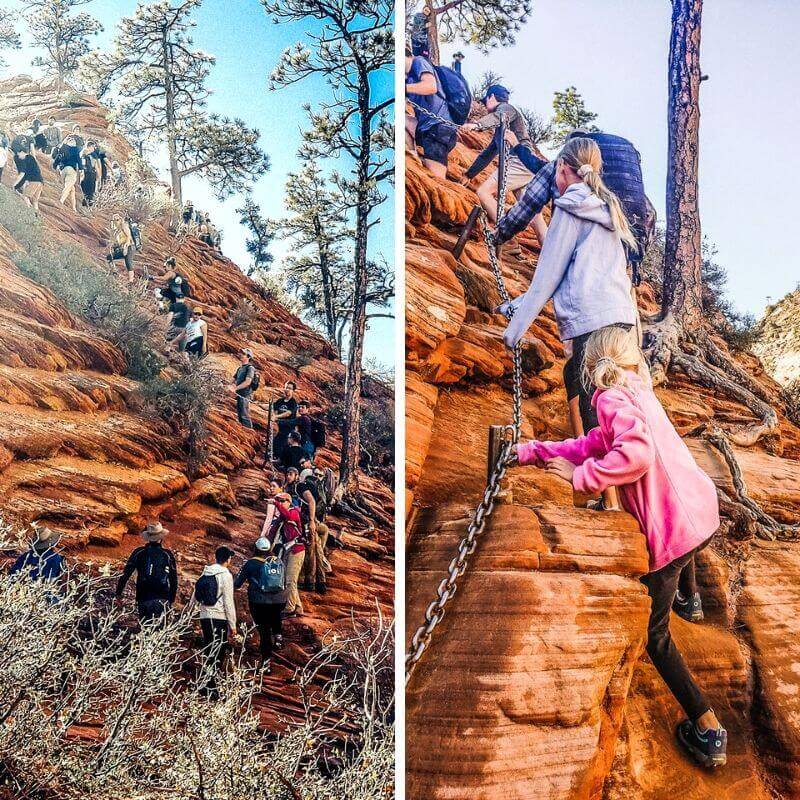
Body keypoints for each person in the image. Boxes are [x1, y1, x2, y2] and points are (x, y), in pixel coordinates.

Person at [513, 325, 726, 768]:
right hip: (699, 510)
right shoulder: (637, 393)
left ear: (588, 366)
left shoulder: (608, 399)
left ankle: (707, 728)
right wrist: (535, 452)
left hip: (672, 529)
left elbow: (635, 455)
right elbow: (592, 444)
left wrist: (581, 480)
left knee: (656, 635)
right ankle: (693, 599)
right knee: (685, 551)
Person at [501, 136, 638, 511]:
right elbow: (578, 273)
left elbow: (547, 276)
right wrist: (516, 306)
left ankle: (611, 503)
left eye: (557, 172)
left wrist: (513, 334)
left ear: (563, 168)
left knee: (601, 408)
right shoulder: (606, 208)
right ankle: (612, 498)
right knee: (612, 403)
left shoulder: (569, 207)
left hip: (593, 325)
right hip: (621, 321)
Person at [460, 85, 547, 237]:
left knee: (483, 192)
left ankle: (505, 238)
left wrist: (477, 125)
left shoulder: (506, 109)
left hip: (519, 161)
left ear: (491, 97)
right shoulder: (502, 129)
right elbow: (487, 155)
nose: (486, 107)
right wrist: (469, 174)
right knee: (534, 216)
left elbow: (498, 116)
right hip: (526, 166)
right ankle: (549, 254)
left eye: (485, 101)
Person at [234, 529, 288, 673]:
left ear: (255, 549)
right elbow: (285, 581)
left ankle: (266, 662)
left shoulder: (250, 563)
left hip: (259, 601)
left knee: (264, 630)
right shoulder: (278, 561)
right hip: (279, 600)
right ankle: (278, 637)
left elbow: (237, 583)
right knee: (275, 614)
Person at [188, 545, 237, 693]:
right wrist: (232, 625)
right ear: (228, 559)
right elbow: (228, 602)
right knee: (218, 651)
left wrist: (190, 613)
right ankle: (211, 686)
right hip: (218, 617)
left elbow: (195, 595)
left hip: (205, 616)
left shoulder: (206, 573)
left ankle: (207, 683)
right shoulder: (226, 575)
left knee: (210, 648)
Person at [405, 44, 456, 179]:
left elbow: (430, 86)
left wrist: (404, 88)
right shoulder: (409, 77)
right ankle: (413, 154)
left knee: (437, 181)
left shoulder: (419, 62)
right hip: (426, 128)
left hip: (438, 129)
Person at [115, 522, 178, 622]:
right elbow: (173, 579)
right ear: (161, 537)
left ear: (148, 537)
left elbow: (126, 574)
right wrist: (171, 600)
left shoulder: (138, 552)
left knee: (145, 629)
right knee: (159, 631)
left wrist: (118, 593)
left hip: (143, 598)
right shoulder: (167, 555)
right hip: (162, 598)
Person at [52, 134, 81, 212]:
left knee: (72, 189)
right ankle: (61, 201)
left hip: (63, 170)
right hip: (71, 170)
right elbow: (78, 160)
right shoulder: (75, 149)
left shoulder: (62, 148)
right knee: (68, 187)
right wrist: (81, 169)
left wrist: (55, 166)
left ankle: (74, 208)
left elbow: (57, 158)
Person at [230, 348, 256, 429]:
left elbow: (248, 382)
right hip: (239, 394)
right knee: (240, 415)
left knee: (244, 415)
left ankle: (249, 432)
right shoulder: (240, 368)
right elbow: (233, 380)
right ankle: (244, 431)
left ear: (248, 357)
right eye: (240, 353)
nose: (240, 355)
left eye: (243, 354)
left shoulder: (250, 368)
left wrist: (235, 388)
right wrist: (229, 385)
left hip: (246, 395)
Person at [273, 381, 298, 460]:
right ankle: (275, 457)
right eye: (286, 387)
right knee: (275, 442)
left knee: (282, 444)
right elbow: (274, 408)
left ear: (293, 391)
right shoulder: (280, 400)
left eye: (289, 388)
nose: (287, 389)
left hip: (288, 428)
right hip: (278, 426)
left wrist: (276, 417)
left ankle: (280, 461)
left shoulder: (293, 403)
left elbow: (288, 413)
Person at [107, 214, 136, 283]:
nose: (116, 221)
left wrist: (126, 244)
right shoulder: (117, 230)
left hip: (129, 247)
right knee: (109, 257)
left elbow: (128, 236)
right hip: (122, 248)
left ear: (120, 219)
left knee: (128, 262)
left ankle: (131, 280)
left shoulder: (124, 226)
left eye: (118, 220)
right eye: (115, 220)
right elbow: (117, 240)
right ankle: (113, 271)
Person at [11, 128, 33, 193]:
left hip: (17, 155)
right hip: (23, 157)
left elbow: (13, 147)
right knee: (23, 173)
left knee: (22, 173)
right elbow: (32, 149)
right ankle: (15, 186)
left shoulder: (18, 137)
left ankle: (20, 188)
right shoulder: (30, 139)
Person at [80, 141, 99, 206]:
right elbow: (83, 164)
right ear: (89, 147)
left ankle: (90, 202)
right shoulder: (84, 153)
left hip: (92, 173)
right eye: (93, 147)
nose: (94, 148)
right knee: (86, 189)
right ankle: (85, 202)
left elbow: (95, 165)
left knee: (91, 189)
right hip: (86, 173)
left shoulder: (93, 155)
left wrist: (98, 174)